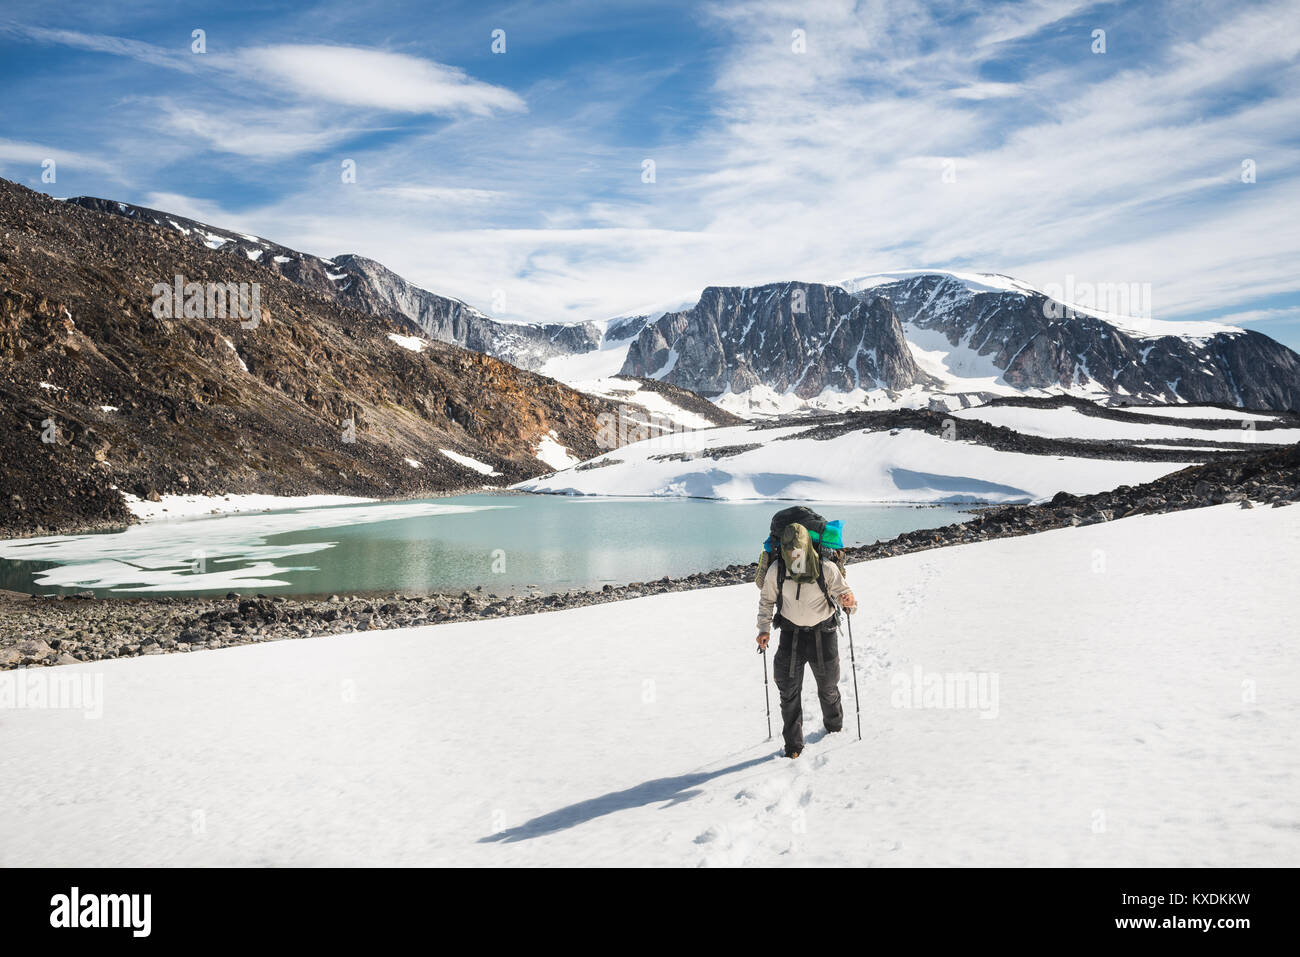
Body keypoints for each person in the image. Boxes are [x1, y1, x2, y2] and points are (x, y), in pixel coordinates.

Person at [756, 522, 857, 758]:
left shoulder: (826, 567)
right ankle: (793, 746)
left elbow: (845, 594)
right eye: (789, 551)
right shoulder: (777, 569)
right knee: (788, 690)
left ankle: (834, 727)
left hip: (824, 632)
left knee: (828, 687)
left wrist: (850, 604)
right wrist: (764, 629)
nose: (794, 555)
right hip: (791, 634)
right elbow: (766, 601)